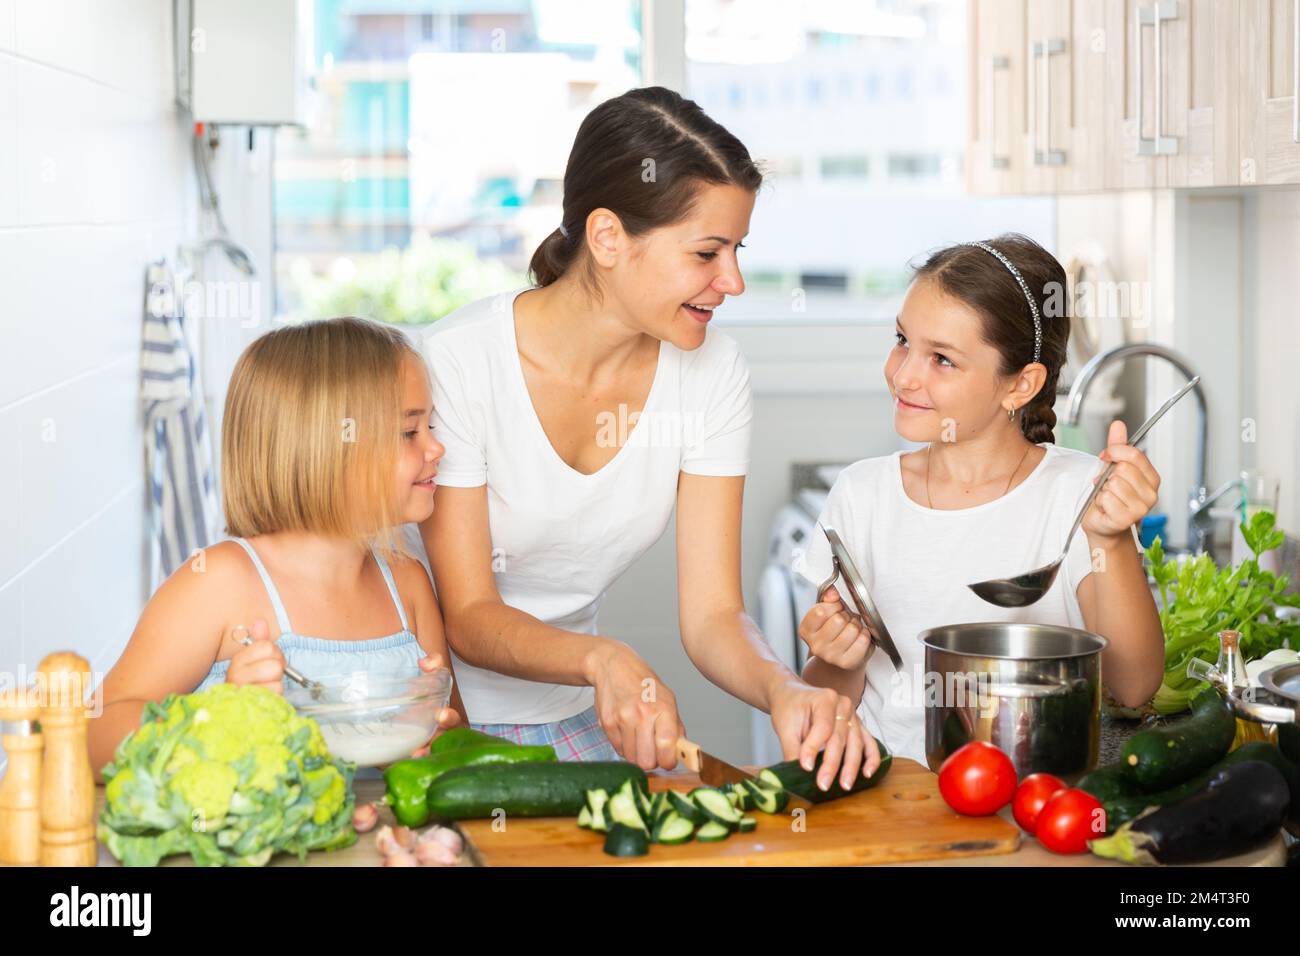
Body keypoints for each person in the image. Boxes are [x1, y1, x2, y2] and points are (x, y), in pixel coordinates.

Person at [419, 86, 879, 791]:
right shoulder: (460, 362)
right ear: (607, 238)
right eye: (707, 252)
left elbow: (712, 615)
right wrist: (602, 658)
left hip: (575, 714)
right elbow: (470, 616)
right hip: (430, 720)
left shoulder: (711, 373)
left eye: (737, 250)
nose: (733, 280)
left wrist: (783, 688)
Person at [796, 234, 1166, 765]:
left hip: (1031, 797)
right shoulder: (862, 496)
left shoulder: (1079, 496)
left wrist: (1110, 538)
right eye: (902, 339)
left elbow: (1133, 687)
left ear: (1020, 385)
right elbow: (828, 694)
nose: (903, 374)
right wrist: (837, 658)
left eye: (942, 359)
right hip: (888, 795)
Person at [90, 317, 466, 778]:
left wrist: (436, 734)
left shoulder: (405, 581)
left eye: (431, 425)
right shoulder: (220, 583)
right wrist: (218, 719)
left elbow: (453, 734)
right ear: (327, 448)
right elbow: (93, 734)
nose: (436, 448)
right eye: (410, 432)